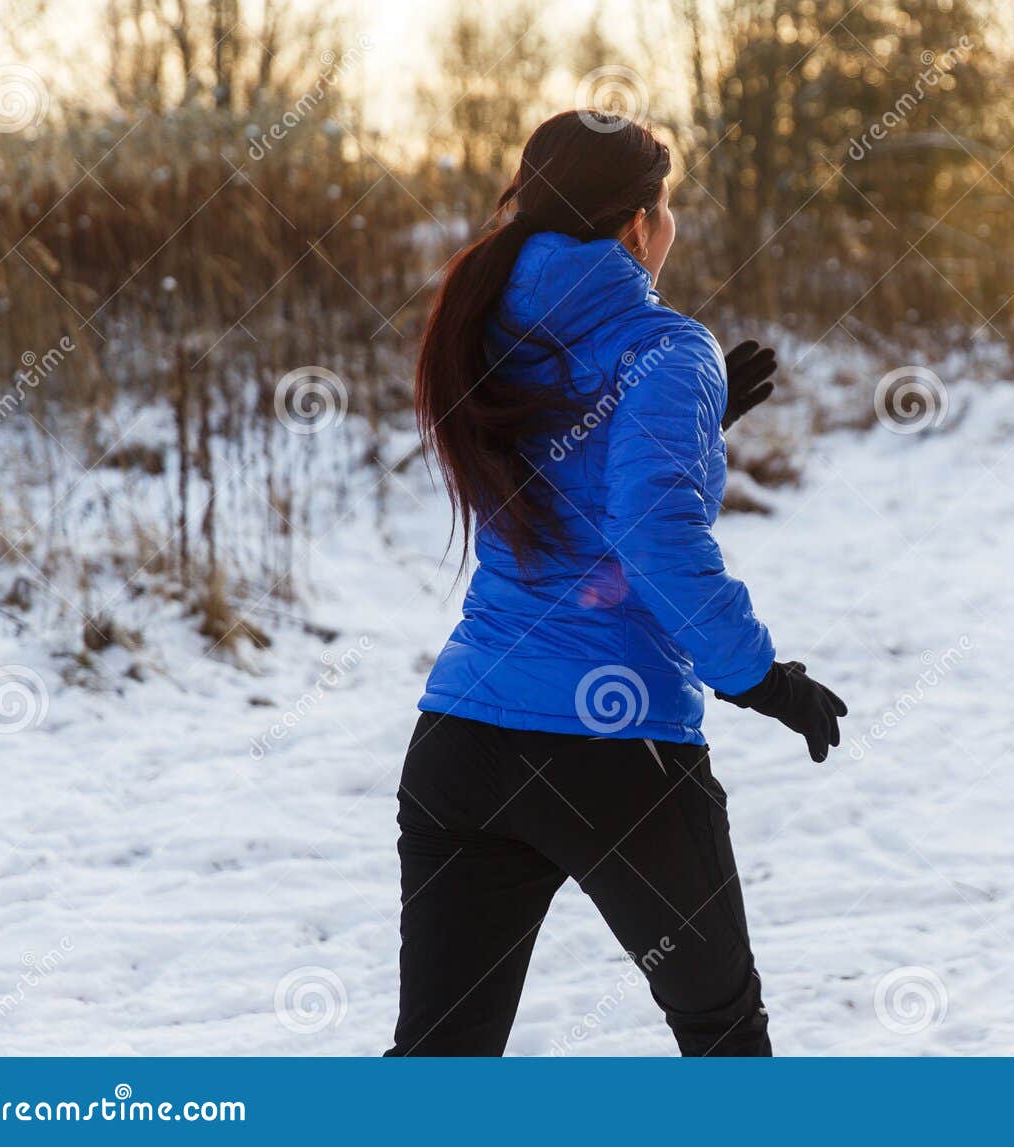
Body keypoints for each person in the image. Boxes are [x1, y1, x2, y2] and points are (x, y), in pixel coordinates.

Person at [386, 110, 847, 1057]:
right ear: (640, 224)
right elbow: (652, 537)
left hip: (462, 743)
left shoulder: (480, 327)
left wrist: (693, 425)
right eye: (666, 209)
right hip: (615, 748)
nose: (669, 228)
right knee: (723, 1037)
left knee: (439, 1062)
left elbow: (564, 482)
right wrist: (761, 677)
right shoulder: (665, 349)